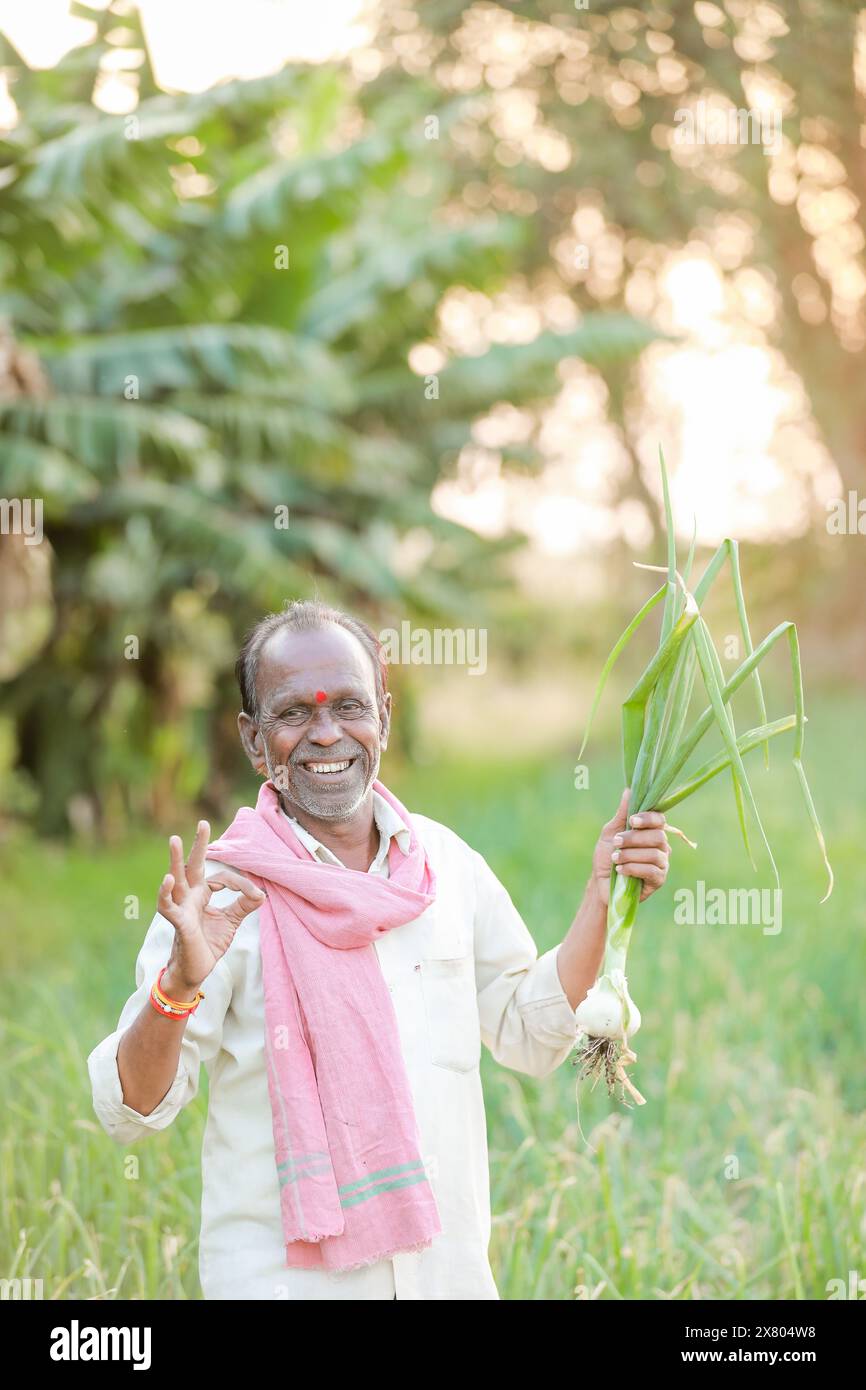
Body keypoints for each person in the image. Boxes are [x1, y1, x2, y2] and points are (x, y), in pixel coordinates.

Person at [88, 599, 670, 1300]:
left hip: (445, 1279)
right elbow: (132, 1109)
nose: (326, 734)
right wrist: (176, 988)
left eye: (349, 708)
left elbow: (527, 1029)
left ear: (385, 719)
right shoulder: (219, 896)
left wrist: (602, 899)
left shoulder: (445, 868)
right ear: (252, 738)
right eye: (294, 713)